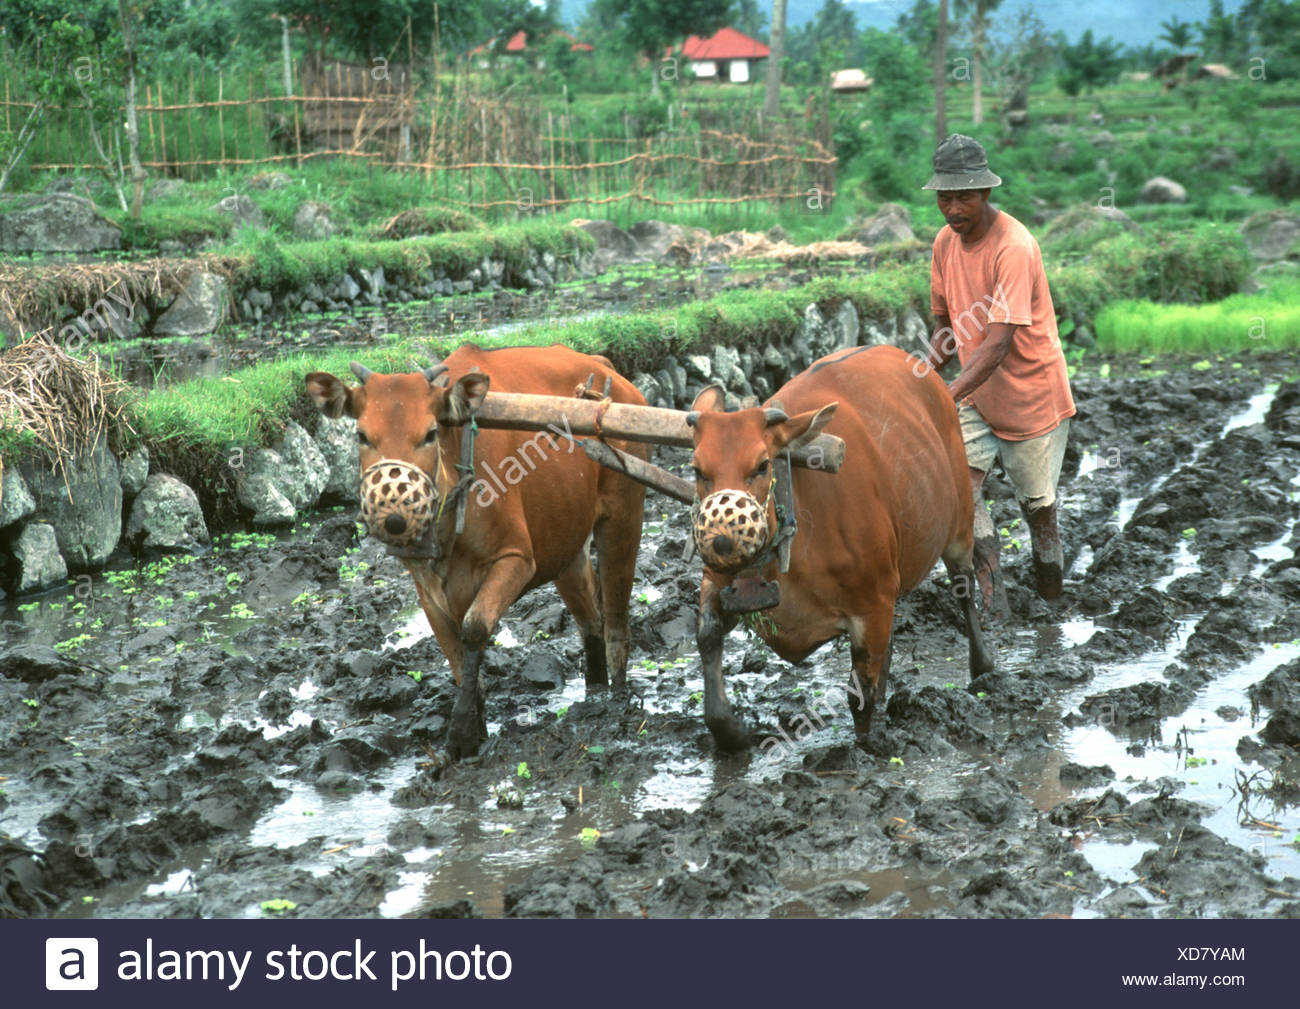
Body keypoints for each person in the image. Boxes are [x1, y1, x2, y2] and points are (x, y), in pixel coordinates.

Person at [920, 134, 1075, 618]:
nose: (953, 208)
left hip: (1032, 398)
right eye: (945, 197)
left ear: (985, 193)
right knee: (961, 495)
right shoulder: (945, 244)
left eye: (964, 196)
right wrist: (916, 379)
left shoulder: (1014, 246)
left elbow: (998, 340)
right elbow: (948, 331)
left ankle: (1051, 598)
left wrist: (947, 392)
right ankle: (995, 605)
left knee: (1038, 512)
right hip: (977, 397)